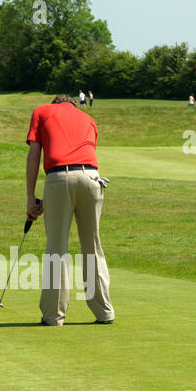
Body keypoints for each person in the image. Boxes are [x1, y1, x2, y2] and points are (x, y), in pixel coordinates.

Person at [25, 94, 114, 327]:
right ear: (73, 104)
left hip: (58, 177)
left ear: (55, 103)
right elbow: (82, 158)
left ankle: (54, 316)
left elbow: (35, 153)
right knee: (92, 246)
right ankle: (104, 311)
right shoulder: (88, 118)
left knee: (56, 247)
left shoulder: (42, 111)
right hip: (93, 179)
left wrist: (30, 197)